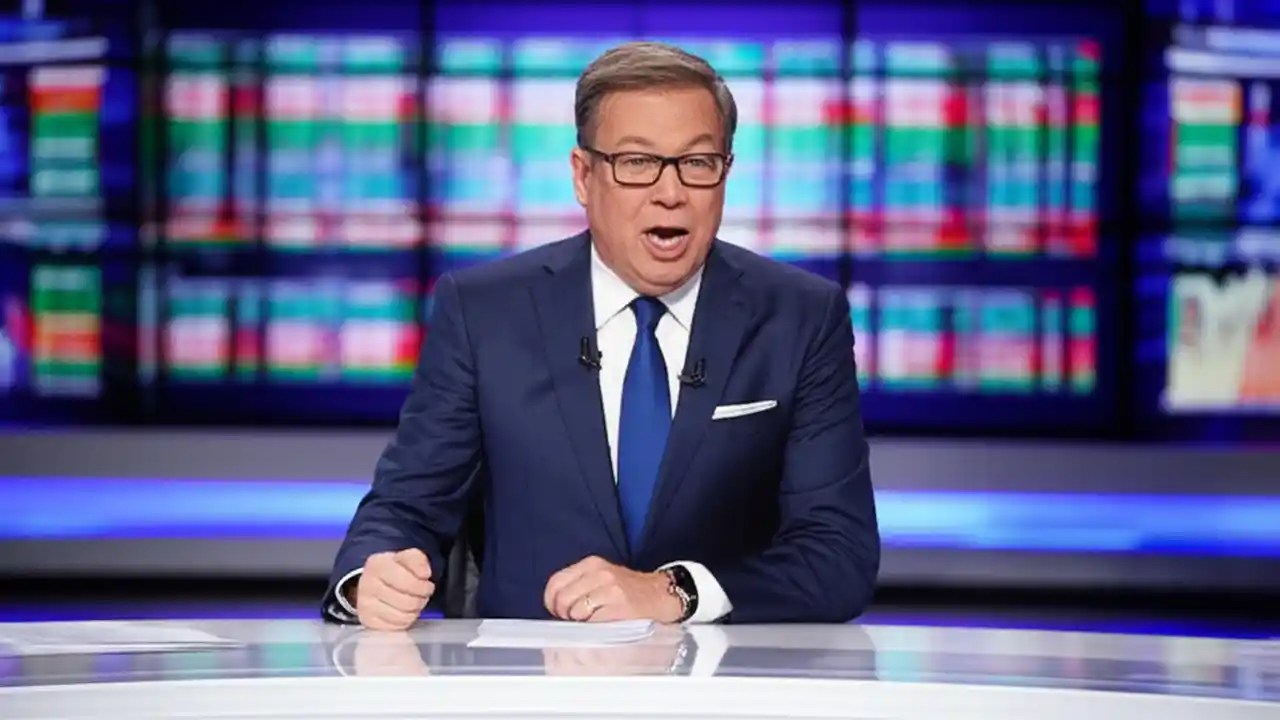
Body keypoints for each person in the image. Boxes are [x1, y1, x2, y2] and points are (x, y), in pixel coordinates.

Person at [322, 40, 879, 629]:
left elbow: (838, 556)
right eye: (637, 163)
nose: (671, 192)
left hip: (723, 690)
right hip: (525, 691)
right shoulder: (484, 312)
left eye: (697, 162)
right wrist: (368, 582)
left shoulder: (800, 316)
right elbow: (405, 509)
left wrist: (676, 593)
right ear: (583, 176)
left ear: (726, 172)